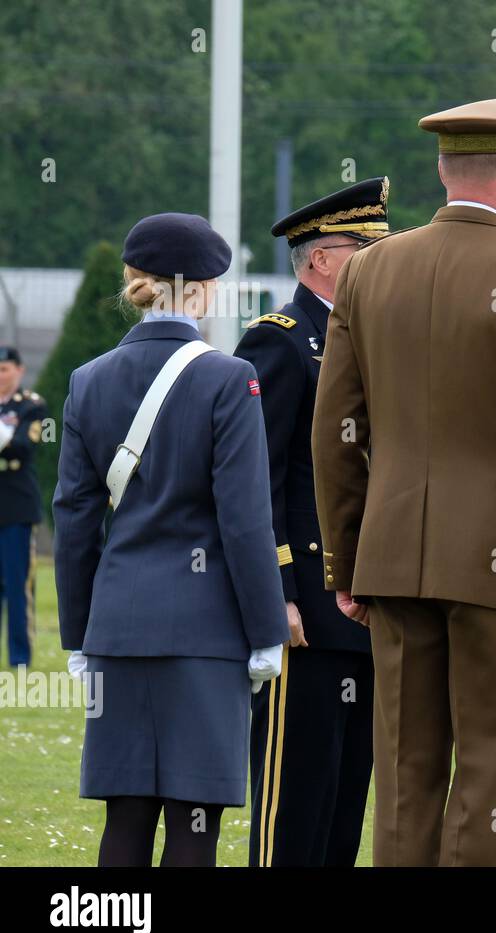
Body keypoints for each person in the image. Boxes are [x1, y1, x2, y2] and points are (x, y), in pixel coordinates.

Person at [311, 95, 496, 867]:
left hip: (394, 559)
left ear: (442, 170)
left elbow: (336, 433)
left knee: (404, 778)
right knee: (492, 776)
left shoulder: (368, 270)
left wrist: (345, 562)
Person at [53, 213, 288, 866]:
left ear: (137, 283)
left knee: (124, 821)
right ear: (205, 288)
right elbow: (244, 521)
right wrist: (267, 632)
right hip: (204, 634)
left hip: (118, 630)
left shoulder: (87, 380)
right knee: (193, 825)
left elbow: (74, 520)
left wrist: (78, 634)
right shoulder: (227, 378)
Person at [235, 177, 390, 867]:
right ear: (324, 258)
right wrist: (281, 593)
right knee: (293, 799)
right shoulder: (282, 341)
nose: (382, 261)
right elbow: (253, 479)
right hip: (306, 609)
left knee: (345, 797)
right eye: (368, 249)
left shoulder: (373, 338)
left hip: (371, 603)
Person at [0, 347, 47, 668]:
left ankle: (20, 657)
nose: (1, 376)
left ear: (19, 370)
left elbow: (24, 446)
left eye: (4, 369)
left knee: (17, 583)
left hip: (15, 502)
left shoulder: (32, 405)